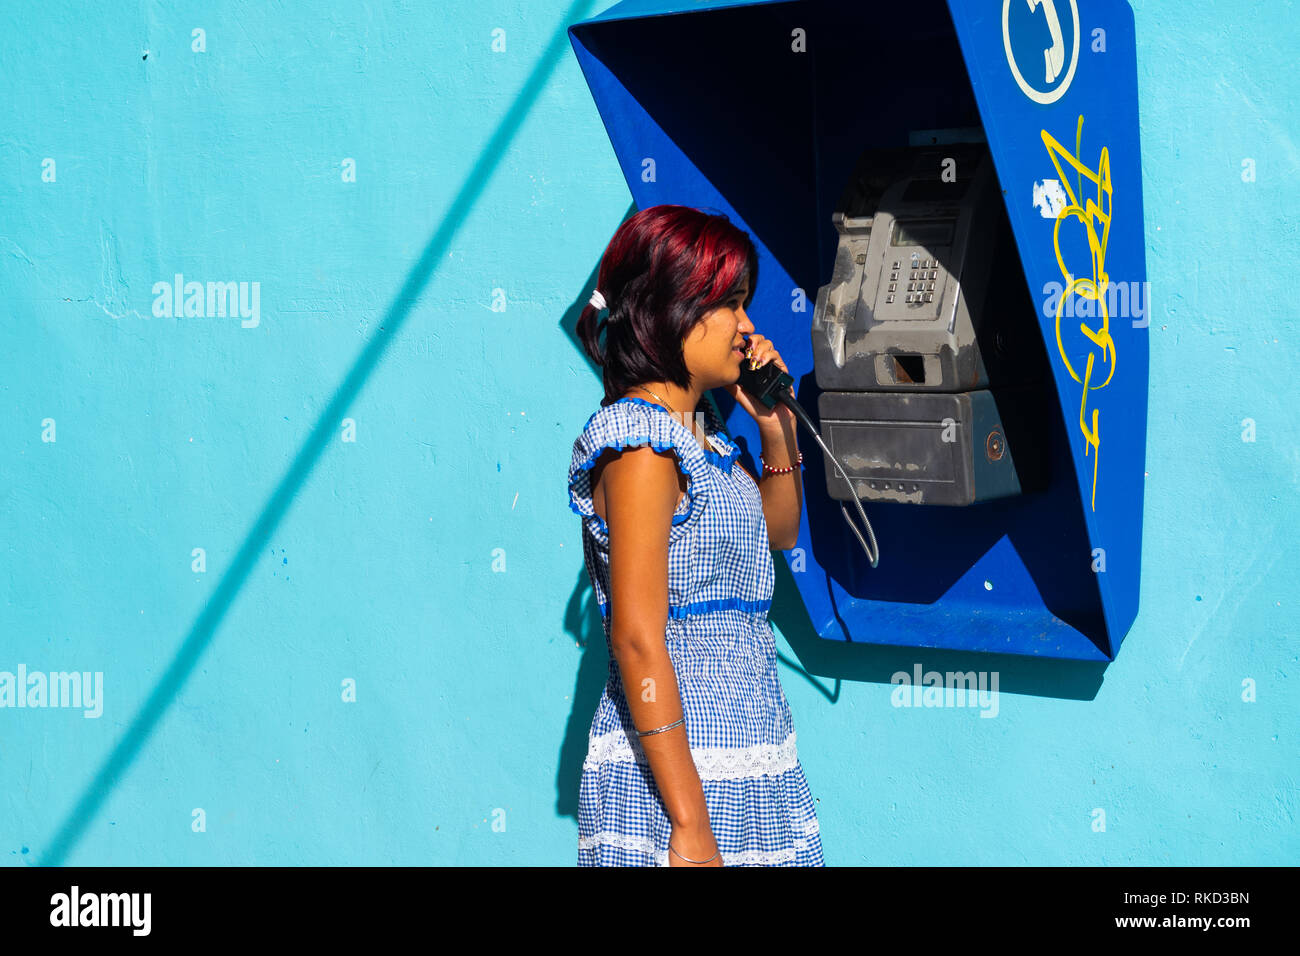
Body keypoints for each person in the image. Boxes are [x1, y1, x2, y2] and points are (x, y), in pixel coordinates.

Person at [567, 204, 824, 866]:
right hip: (680, 782)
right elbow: (634, 636)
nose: (747, 327)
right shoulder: (642, 447)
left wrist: (774, 427)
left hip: (747, 757)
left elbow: (778, 529)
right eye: (731, 304)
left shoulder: (701, 434)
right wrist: (690, 823)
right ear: (670, 309)